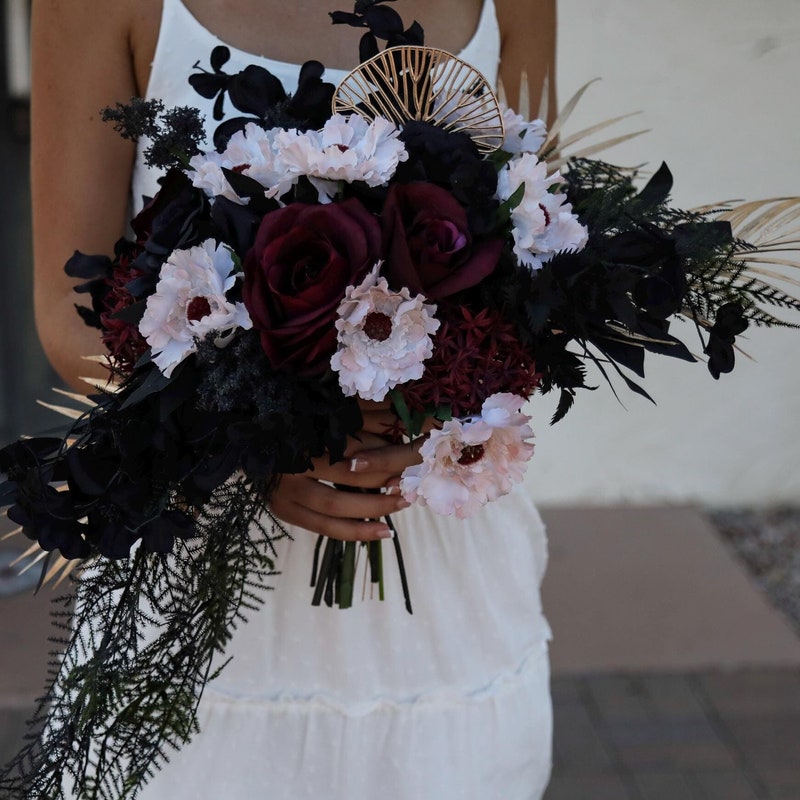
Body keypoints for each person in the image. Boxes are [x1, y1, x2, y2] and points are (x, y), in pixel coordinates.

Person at [31, 1, 557, 797]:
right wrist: (257, 438)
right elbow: (71, 322)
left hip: (438, 554)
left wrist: (441, 394)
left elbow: (540, 247)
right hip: (202, 570)